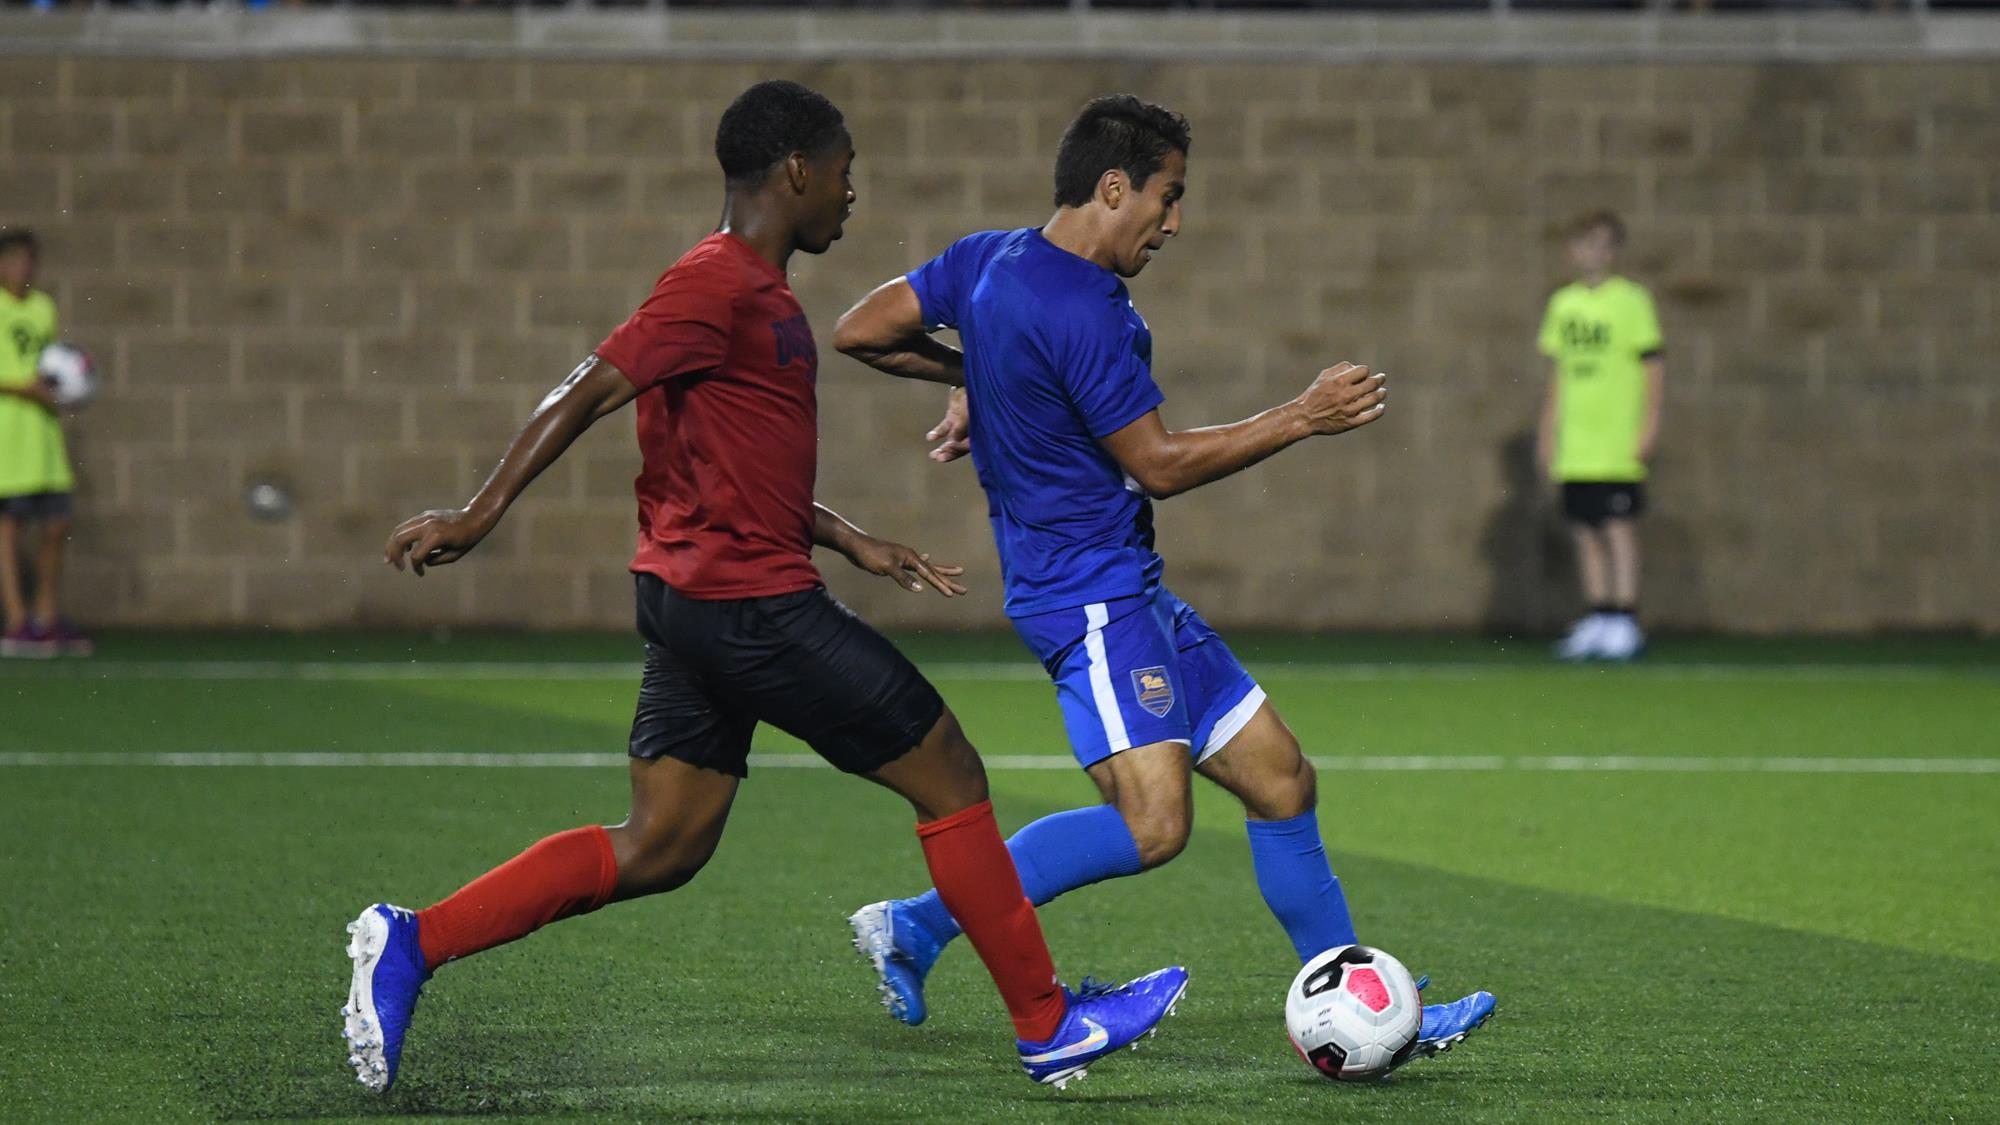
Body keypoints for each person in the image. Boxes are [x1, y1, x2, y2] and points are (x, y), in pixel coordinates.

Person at [347, 81, 1185, 1096]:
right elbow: (591, 385)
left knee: (662, 844)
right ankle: (1046, 1024)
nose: (850, 194)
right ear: (795, 172)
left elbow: (729, 470)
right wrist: (477, 514)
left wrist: (843, 537)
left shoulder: (762, 297)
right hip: (746, 608)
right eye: (843, 174)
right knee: (952, 777)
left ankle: (410, 942)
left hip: (694, 599)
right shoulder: (715, 283)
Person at [832, 94, 1493, 1066]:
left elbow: (860, 328)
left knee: (1278, 779)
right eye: (1167, 195)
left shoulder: (984, 260)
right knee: (1152, 825)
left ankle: (1360, 995)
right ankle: (919, 922)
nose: (1174, 222)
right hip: (1085, 600)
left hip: (1130, 588)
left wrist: (976, 379)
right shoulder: (1083, 309)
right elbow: (1158, 464)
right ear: (1113, 185)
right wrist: (1299, 416)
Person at [1537, 210, 1664, 662]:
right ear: (1573, 250)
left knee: (1617, 528)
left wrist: (1649, 424)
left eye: (1603, 243)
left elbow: (1653, 369)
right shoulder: (1563, 306)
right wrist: (1548, 433)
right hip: (1578, 441)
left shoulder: (1632, 301)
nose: (1594, 251)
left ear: (1614, 250)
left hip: (1616, 438)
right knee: (1584, 530)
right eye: (1585, 242)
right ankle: (1599, 615)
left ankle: (1624, 617)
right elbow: (1557, 378)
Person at [0, 229, 89, 659]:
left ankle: (46, 616)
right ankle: (17, 622)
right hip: (9, 435)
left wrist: (69, 391)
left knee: (58, 524)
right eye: (15, 261)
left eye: (29, 261)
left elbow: (52, 367)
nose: (24, 269)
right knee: (9, 527)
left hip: (45, 436)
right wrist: (29, 389)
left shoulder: (43, 308)